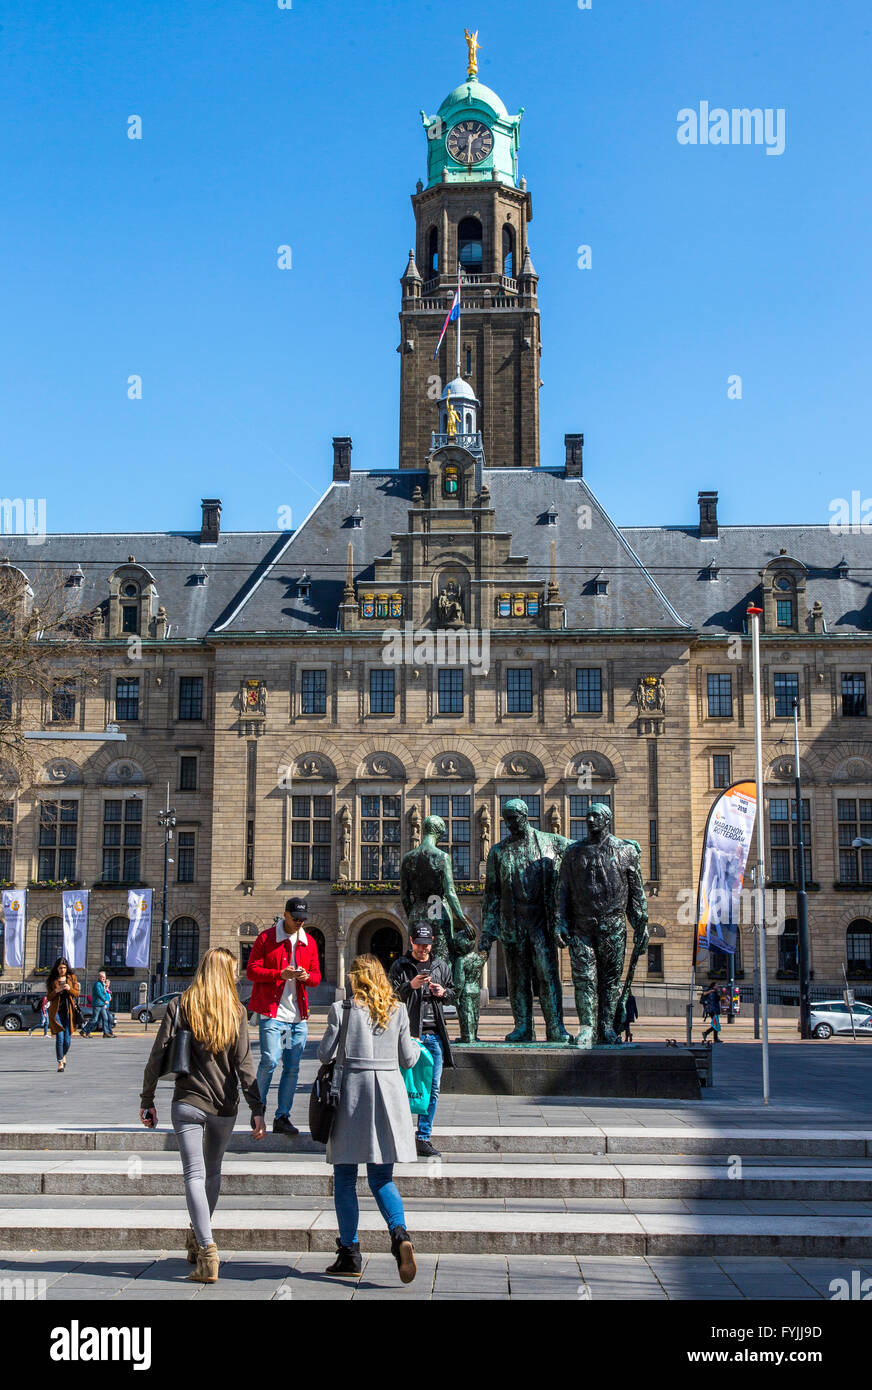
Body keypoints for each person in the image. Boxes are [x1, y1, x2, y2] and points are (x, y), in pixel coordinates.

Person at [139, 946, 267, 1284]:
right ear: (227, 973)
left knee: (194, 1175)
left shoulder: (181, 1004)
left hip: (188, 1101)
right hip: (225, 1105)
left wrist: (147, 1097)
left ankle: (205, 1247)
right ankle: (200, 1240)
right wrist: (257, 1109)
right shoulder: (236, 1011)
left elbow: (158, 1054)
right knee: (212, 1173)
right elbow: (245, 1065)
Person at [318, 954, 420, 1283]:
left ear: (355, 978)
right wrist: (415, 1043)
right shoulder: (398, 1009)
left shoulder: (342, 1009)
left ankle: (349, 1252)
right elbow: (409, 1058)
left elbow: (324, 1054)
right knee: (382, 1179)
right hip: (388, 1098)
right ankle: (400, 1235)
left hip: (351, 1096)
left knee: (345, 1179)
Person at [246, 897, 322, 1136]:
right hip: (272, 1012)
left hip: (297, 1017)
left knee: (292, 1067)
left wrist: (305, 977)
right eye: (296, 918)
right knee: (269, 1059)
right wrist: (280, 973)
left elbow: (317, 977)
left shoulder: (308, 942)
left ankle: (283, 1116)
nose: (300, 923)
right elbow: (252, 971)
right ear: (285, 915)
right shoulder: (266, 938)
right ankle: (258, 1108)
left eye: (303, 919)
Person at [389, 922, 455, 1158]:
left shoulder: (440, 966)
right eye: (419, 944)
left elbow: (453, 993)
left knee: (433, 1088)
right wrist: (410, 986)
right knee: (404, 1087)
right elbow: (389, 996)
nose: (423, 949)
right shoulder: (400, 965)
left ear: (432, 943)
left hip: (434, 1035)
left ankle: (423, 1136)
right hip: (409, 1035)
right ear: (411, 942)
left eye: (426, 945)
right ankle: (402, 1133)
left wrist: (443, 993)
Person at [46, 958, 81, 1073]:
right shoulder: (52, 980)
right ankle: (60, 1062)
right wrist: (57, 990)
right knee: (60, 1038)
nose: (62, 970)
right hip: (56, 1013)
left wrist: (69, 988)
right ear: (57, 968)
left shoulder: (72, 978)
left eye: (64, 968)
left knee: (67, 1041)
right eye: (60, 968)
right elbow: (49, 997)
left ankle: (63, 1054)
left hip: (68, 1012)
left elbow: (77, 993)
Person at [82, 971, 115, 1037]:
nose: (103, 978)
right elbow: (99, 994)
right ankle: (84, 1031)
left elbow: (104, 993)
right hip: (97, 1005)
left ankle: (106, 1033)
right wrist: (105, 1000)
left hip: (101, 1005)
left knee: (105, 1018)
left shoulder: (102, 984)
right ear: (99, 977)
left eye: (104, 977)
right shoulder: (97, 984)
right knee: (94, 1019)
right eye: (102, 977)